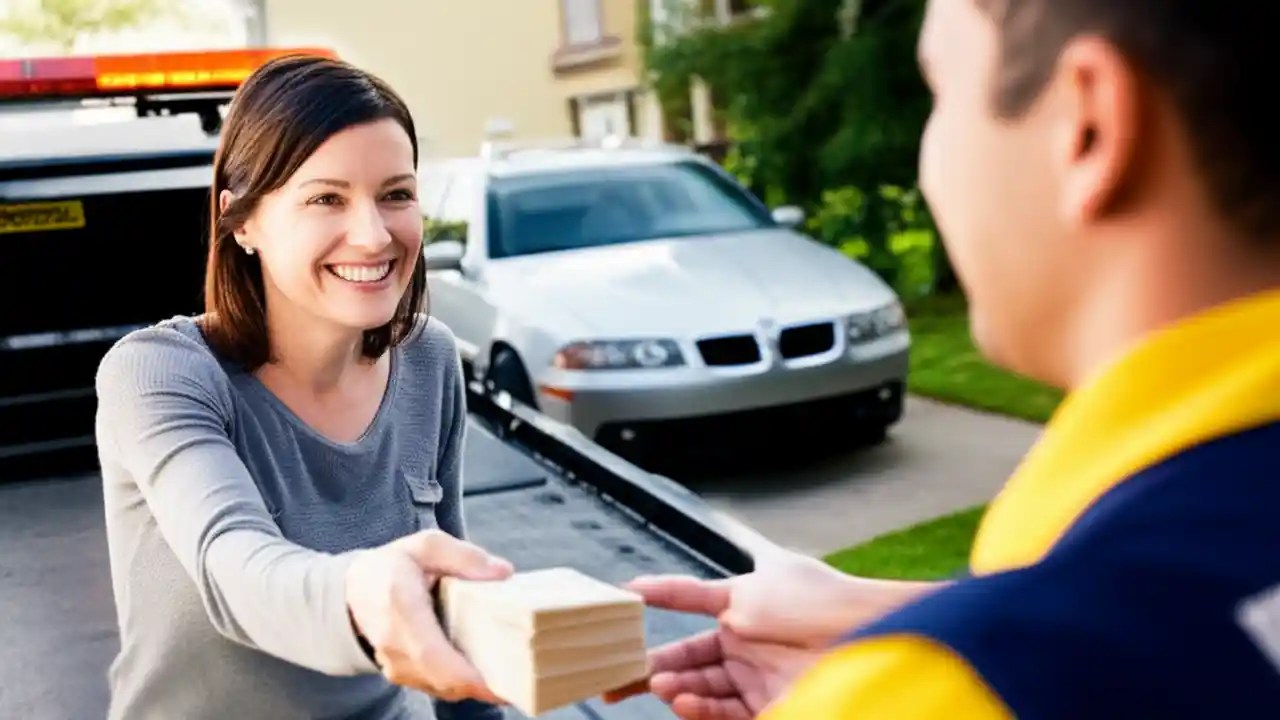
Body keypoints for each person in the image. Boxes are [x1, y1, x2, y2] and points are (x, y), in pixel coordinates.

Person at [605, 0, 1280, 717]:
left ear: (1088, 125)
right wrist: (911, 618)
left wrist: (918, 671)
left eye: (940, 91)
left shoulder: (967, 690)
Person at [93, 54, 513, 719]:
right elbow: (235, 569)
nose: (373, 235)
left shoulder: (429, 359)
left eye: (396, 194)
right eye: (327, 199)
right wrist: (367, 594)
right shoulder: (159, 373)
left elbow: (454, 611)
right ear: (242, 221)